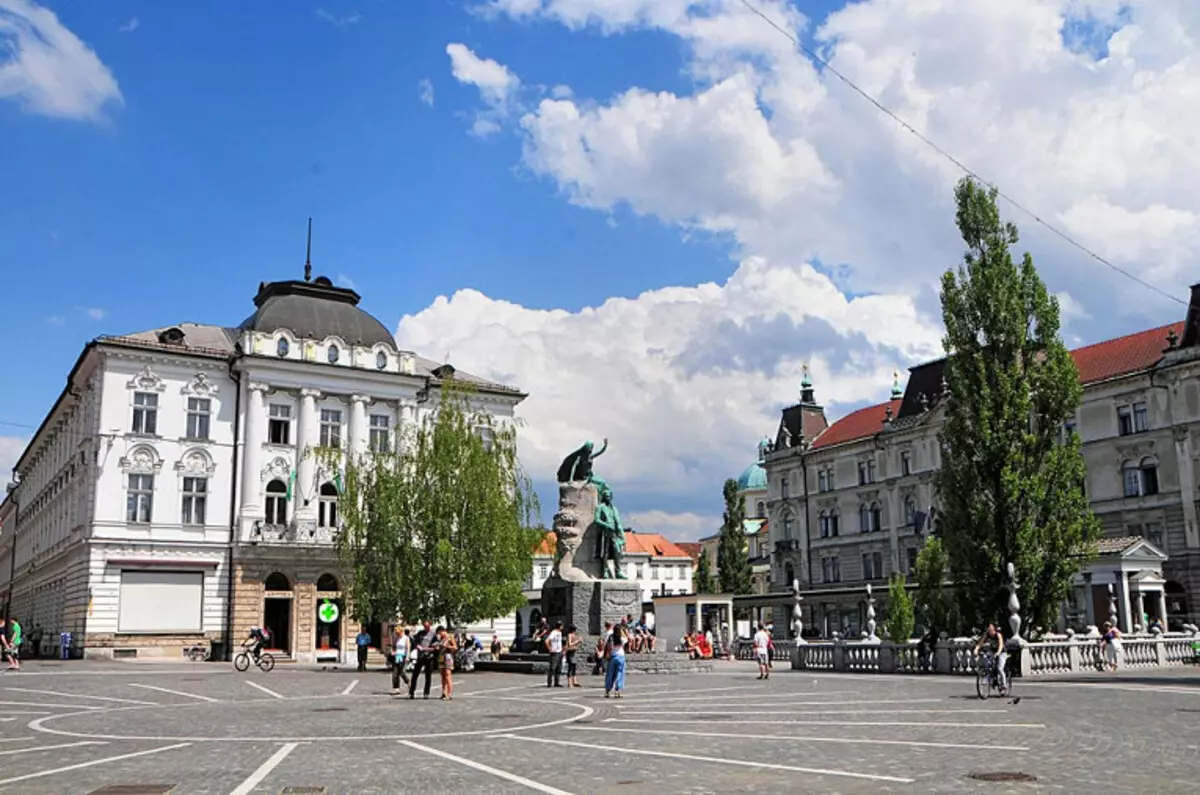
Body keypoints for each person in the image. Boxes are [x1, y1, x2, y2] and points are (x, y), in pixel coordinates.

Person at [974, 623, 1007, 694]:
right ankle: (987, 676)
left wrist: (998, 653)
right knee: (987, 661)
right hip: (992, 651)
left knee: (999, 668)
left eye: (991, 629)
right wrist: (976, 649)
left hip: (1002, 652)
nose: (989, 630)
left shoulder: (998, 635)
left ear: (994, 629)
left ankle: (1003, 685)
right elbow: (980, 643)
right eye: (989, 629)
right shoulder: (987, 635)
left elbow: (1001, 645)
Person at [408, 620, 437, 700]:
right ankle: (411, 692)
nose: (425, 627)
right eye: (424, 626)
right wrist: (417, 647)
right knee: (415, 675)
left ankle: (426, 693)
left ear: (430, 626)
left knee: (428, 676)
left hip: (429, 657)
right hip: (420, 656)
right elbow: (415, 642)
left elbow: (435, 648)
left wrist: (425, 648)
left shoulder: (433, 635)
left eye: (427, 626)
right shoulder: (420, 633)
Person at [604, 622, 627, 698]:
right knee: (620, 674)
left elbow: (608, 646)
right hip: (621, 655)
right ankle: (617, 691)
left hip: (613, 656)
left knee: (610, 674)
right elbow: (627, 640)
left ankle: (607, 691)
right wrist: (623, 631)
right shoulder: (621, 637)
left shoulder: (611, 637)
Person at [439, 627, 458, 701]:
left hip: (448, 656)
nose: (440, 634)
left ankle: (449, 694)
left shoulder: (450, 637)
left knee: (447, 674)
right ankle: (444, 692)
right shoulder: (441, 638)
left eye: (440, 633)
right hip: (441, 656)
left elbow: (455, 647)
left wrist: (448, 646)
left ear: (443, 631)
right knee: (442, 675)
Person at [391, 627, 411, 694]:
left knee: (402, 672)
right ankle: (396, 688)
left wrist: (407, 657)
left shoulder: (406, 638)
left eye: (397, 633)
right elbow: (394, 647)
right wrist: (393, 652)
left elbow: (408, 648)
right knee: (395, 673)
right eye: (396, 633)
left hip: (403, 656)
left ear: (401, 632)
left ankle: (408, 682)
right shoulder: (396, 638)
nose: (396, 634)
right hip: (397, 656)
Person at [545, 621, 565, 688]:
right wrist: (550, 649)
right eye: (562, 626)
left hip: (559, 652)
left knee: (559, 668)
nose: (563, 627)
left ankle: (557, 682)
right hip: (554, 653)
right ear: (559, 626)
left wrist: (562, 649)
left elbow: (559, 642)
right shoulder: (554, 632)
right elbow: (547, 641)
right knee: (552, 668)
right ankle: (549, 683)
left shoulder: (560, 633)